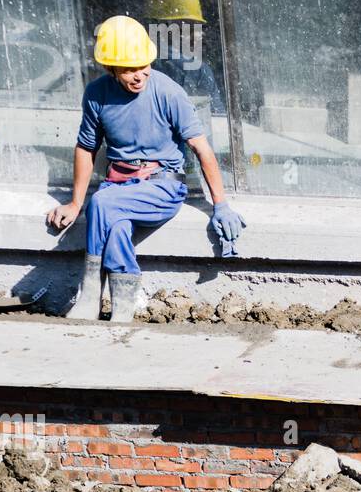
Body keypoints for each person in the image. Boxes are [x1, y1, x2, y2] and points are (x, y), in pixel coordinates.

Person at [46, 16, 246, 322]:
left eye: (143, 66)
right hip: (119, 186)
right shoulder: (97, 94)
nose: (139, 75)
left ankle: (89, 294)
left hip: (163, 187)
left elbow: (201, 148)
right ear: (110, 69)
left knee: (100, 203)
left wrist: (220, 205)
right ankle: (123, 306)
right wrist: (74, 203)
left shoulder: (169, 92)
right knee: (118, 229)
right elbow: (86, 148)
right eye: (128, 69)